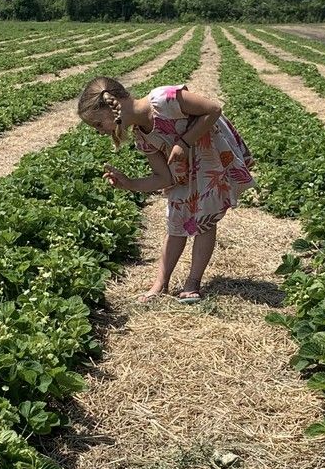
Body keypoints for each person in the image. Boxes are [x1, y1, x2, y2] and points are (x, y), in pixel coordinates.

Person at [77, 76, 255, 303]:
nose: (99, 131)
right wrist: (129, 183)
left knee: (205, 220)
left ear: (112, 107)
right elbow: (164, 178)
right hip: (185, 171)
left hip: (209, 158)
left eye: (98, 124)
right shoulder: (142, 136)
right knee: (175, 221)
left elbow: (213, 109)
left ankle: (193, 282)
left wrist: (184, 142)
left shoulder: (164, 99)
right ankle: (160, 284)